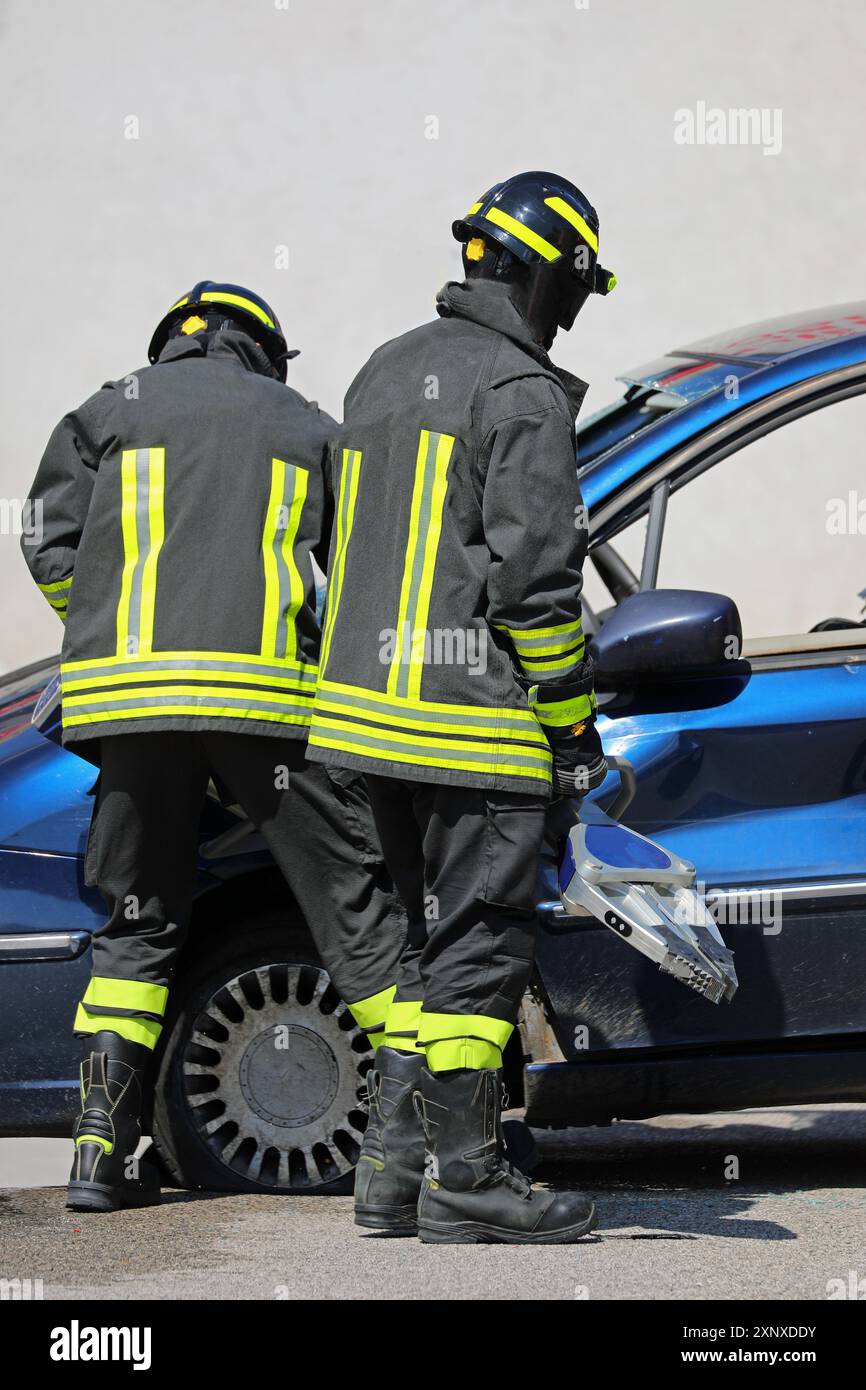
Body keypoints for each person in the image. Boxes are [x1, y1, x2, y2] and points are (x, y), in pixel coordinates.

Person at [21, 281, 406, 1211]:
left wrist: (107, 632)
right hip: (265, 712)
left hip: (133, 714)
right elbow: (356, 569)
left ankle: (98, 1158)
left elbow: (44, 540)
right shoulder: (306, 421)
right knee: (355, 909)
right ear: (261, 348)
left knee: (139, 923)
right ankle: (415, 1145)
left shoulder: (110, 407)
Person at [308, 173, 616, 1243]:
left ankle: (391, 1176)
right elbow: (534, 586)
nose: (573, 310)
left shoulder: (380, 371)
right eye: (578, 289)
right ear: (550, 276)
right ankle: (468, 1179)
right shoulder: (517, 390)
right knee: (480, 948)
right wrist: (572, 726)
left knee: (421, 955)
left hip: (359, 728)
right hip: (467, 725)